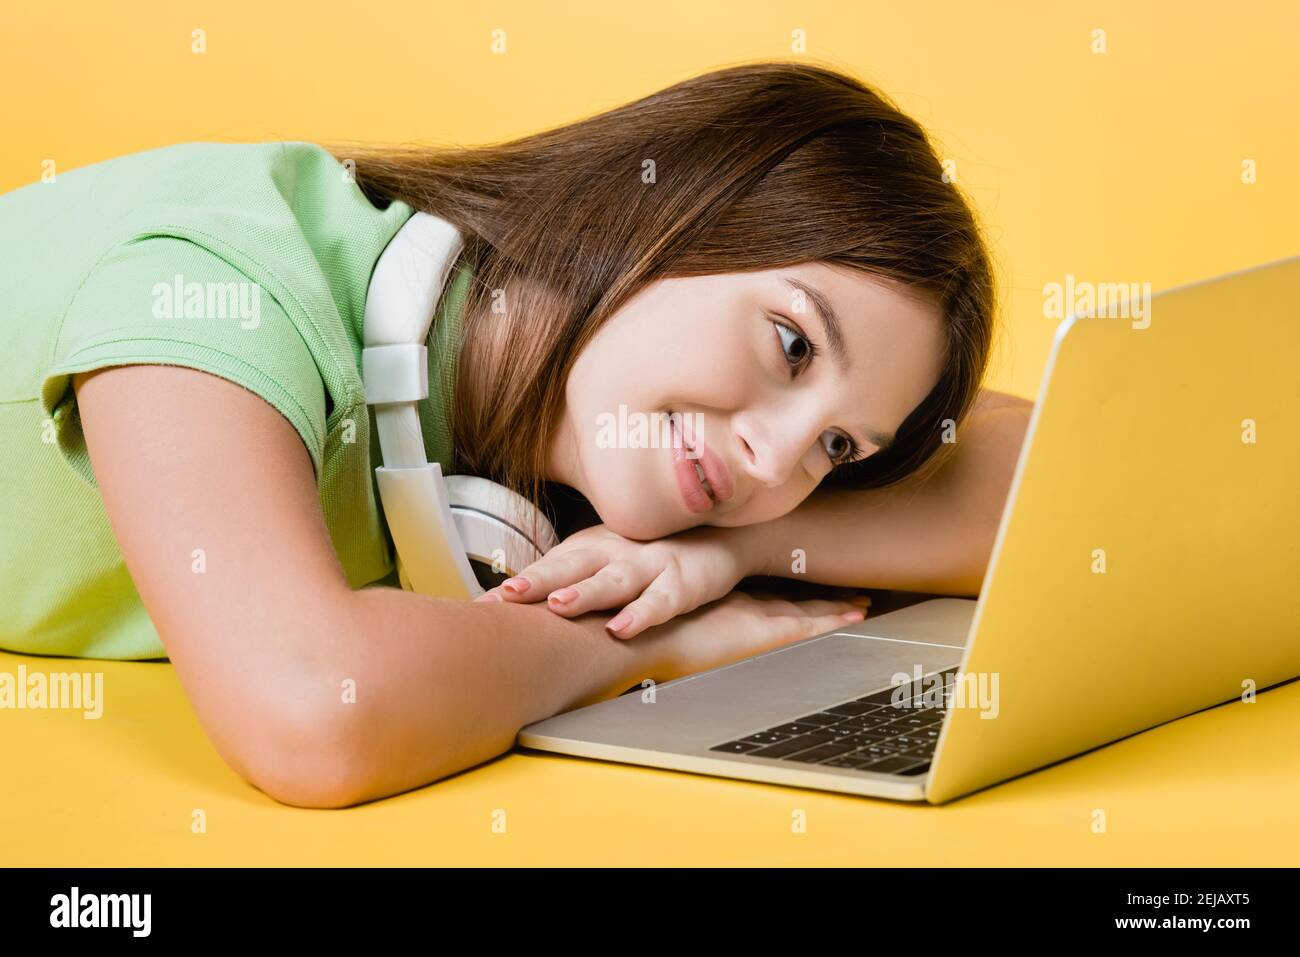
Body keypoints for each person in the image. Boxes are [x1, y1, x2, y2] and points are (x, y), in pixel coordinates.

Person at [0, 61, 1028, 808]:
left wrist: (731, 550)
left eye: (838, 449)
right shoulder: (219, 286)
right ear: (656, 218)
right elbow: (315, 712)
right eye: (793, 345)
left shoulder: (625, 443)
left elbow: (1061, 473)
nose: (777, 462)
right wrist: (639, 640)